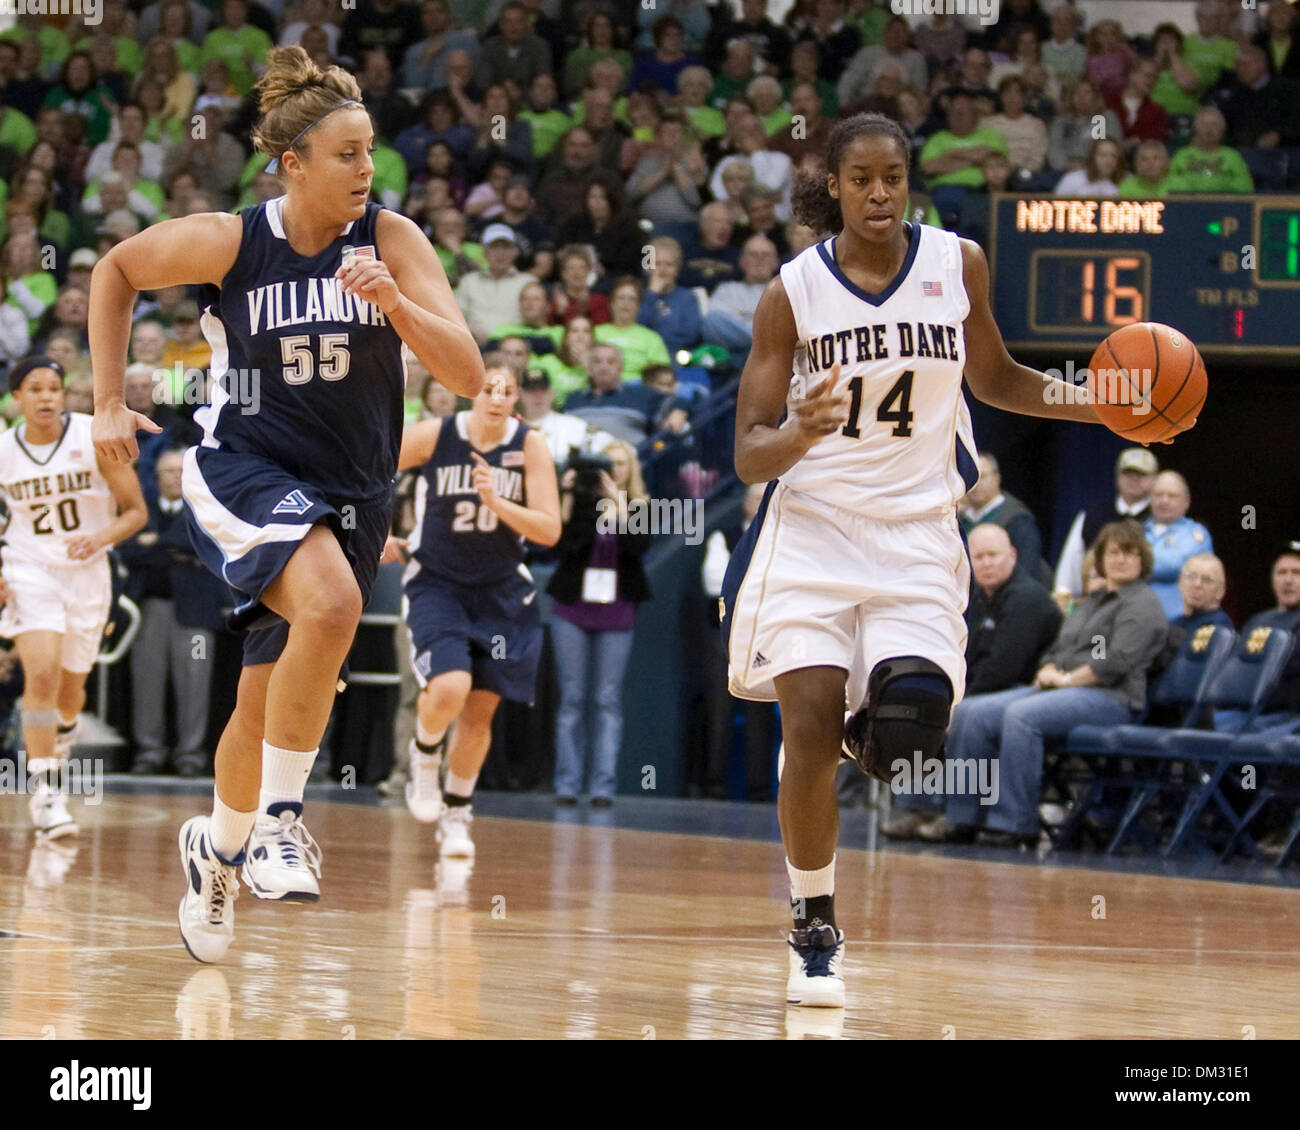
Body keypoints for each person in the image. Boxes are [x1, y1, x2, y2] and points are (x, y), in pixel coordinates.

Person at [721, 113, 1181, 1008]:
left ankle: (872, 736)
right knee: (811, 727)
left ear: (909, 179)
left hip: (919, 531)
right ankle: (814, 920)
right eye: (862, 179)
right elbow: (746, 452)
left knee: (912, 725)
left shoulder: (956, 263)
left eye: (894, 176)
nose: (881, 193)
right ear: (837, 187)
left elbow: (999, 379)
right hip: (813, 526)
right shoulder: (793, 292)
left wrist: (1107, 404)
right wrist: (798, 432)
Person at [89, 46, 484, 963]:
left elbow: (464, 371)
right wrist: (109, 398)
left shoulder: (392, 240)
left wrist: (397, 306)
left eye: (372, 151)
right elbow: (113, 269)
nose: (367, 170)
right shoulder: (234, 239)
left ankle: (217, 854)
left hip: (354, 493)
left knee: (261, 703)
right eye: (347, 154)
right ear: (294, 163)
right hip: (243, 469)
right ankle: (279, 822)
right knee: (338, 604)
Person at [393, 357, 560, 856]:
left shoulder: (529, 446)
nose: (494, 397)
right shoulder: (436, 435)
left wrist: (499, 504)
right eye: (487, 387)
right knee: (449, 687)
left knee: (479, 714)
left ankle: (458, 812)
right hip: (438, 584)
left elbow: (549, 529)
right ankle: (424, 755)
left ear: (515, 401)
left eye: (505, 391)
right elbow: (368, 465)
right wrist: (366, 525)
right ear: (471, 391)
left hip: (502, 592)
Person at [916, 520, 1169, 847]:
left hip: (1111, 698)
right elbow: (1059, 646)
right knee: (970, 713)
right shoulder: (1093, 600)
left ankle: (1014, 823)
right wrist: (1048, 667)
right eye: (1114, 553)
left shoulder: (1143, 604)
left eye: (1129, 554)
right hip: (1061, 689)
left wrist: (1065, 680)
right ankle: (962, 817)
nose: (1120, 560)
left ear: (1143, 559)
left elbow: (1115, 662)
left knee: (1021, 716)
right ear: (1102, 558)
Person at [0, 357, 147, 839]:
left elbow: (136, 512)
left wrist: (100, 538)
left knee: (70, 692)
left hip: (87, 572)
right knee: (39, 674)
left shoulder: (93, 436)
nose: (46, 397)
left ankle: (63, 731)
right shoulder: (4, 451)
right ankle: (46, 792)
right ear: (16, 398)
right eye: (35, 389)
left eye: (54, 388)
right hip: (29, 567)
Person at [881, 522, 1062, 840]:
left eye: (994, 555)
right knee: (920, 703)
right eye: (978, 557)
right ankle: (916, 807)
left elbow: (1004, 668)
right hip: (981, 690)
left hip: (1020, 690)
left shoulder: (1028, 599)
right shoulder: (973, 598)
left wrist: (956, 702)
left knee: (964, 714)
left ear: (1013, 556)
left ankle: (960, 815)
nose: (987, 563)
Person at [548, 438, 653, 805]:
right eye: (609, 463)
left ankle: (602, 787)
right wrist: (566, 493)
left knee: (607, 699)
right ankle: (567, 784)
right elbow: (557, 545)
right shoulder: (579, 501)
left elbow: (640, 548)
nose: (614, 470)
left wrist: (618, 505)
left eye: (621, 464)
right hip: (573, 607)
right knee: (573, 697)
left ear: (630, 470)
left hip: (618, 609)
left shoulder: (639, 504)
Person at [119, 447, 229, 776]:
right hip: (150, 609)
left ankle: (190, 757)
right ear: (156, 477)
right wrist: (172, 551)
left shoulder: (205, 512)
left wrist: (154, 545)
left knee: (195, 685)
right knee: (146, 683)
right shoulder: (141, 510)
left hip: (195, 612)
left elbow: (202, 548)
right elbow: (127, 552)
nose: (176, 477)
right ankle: (149, 753)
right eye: (169, 471)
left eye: (182, 471)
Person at [1054, 447, 1157, 603]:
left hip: (1142, 599)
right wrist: (1064, 599)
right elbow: (1071, 563)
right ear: (1117, 476)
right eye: (1127, 473)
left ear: (1155, 478)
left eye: (1141, 474)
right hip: (1093, 601)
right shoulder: (1093, 515)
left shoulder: (1160, 517)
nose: (1133, 479)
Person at [958, 451, 1048, 586]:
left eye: (982, 477)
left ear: (997, 479)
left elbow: (1027, 570)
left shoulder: (1017, 519)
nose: (976, 484)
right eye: (971, 477)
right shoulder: (958, 519)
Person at [1144, 471, 1214, 619]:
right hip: (1137, 620)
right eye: (1158, 495)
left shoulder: (1196, 535)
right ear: (1150, 499)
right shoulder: (1137, 530)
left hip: (1177, 622)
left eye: (1172, 496)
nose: (1164, 500)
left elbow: (1172, 564)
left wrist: (1137, 566)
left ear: (1186, 502)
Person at [1169, 553, 1232, 641]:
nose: (1197, 584)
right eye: (1191, 576)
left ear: (1220, 591)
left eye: (1206, 580)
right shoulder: (1173, 624)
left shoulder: (1219, 629)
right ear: (1180, 582)